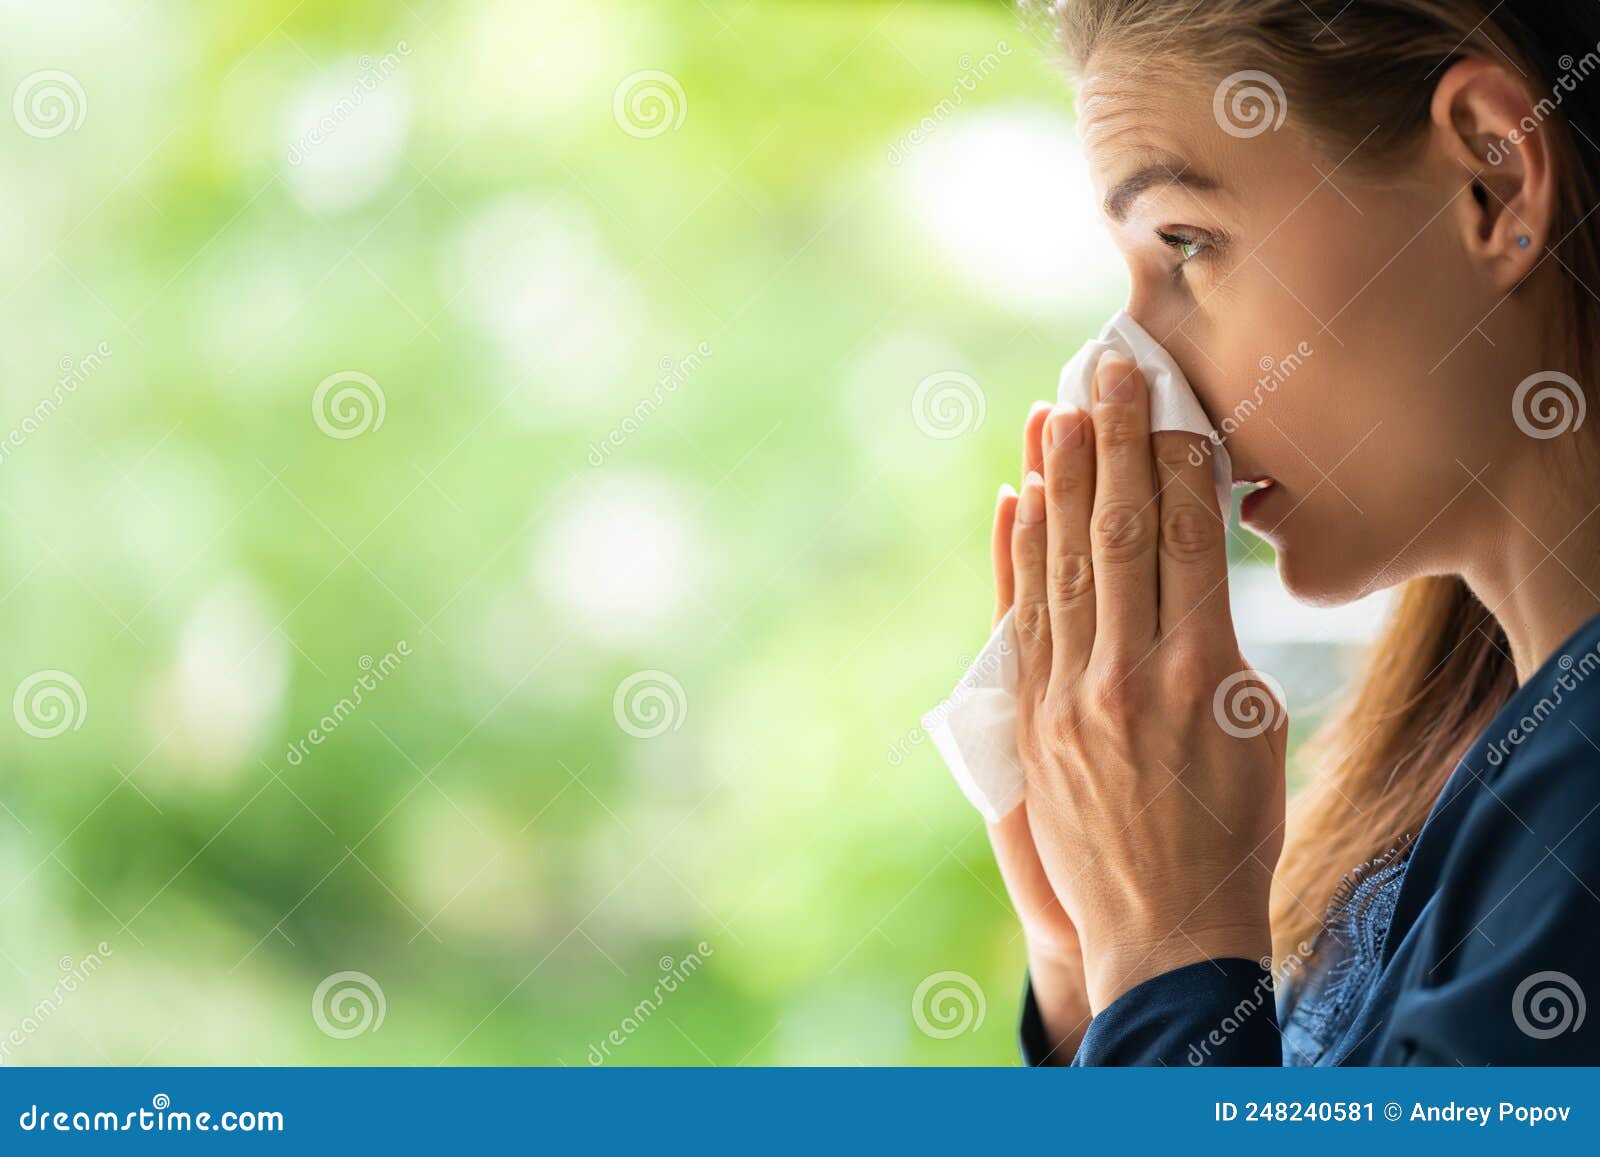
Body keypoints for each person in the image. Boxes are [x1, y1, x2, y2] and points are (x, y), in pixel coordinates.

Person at [988, 0, 1600, 1065]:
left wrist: (1165, 951)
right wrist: (1093, 980)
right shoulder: (1457, 782)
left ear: (1491, 181)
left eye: (1185, 243)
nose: (1132, 374)